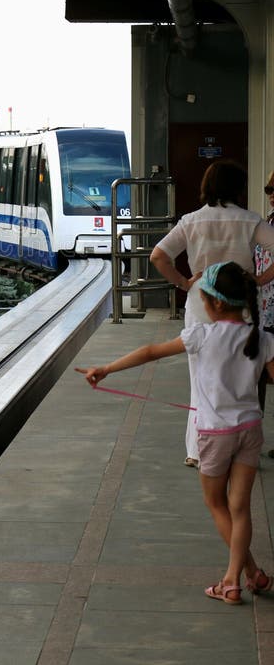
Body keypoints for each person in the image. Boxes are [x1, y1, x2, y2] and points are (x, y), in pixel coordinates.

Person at [76, 261, 274, 604]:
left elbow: (150, 352)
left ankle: (232, 581)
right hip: (250, 430)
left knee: (216, 503)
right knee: (240, 508)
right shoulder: (264, 338)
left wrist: (105, 369)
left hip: (215, 434)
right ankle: (251, 574)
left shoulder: (201, 335)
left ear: (214, 303)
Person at [149, 160, 274, 468]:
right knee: (241, 377)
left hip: (201, 303)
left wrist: (184, 283)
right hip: (240, 305)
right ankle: (239, 445)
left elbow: (158, 256)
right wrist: (259, 279)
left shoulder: (191, 221)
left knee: (200, 378)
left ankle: (197, 449)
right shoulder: (250, 220)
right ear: (239, 188)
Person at [255, 171, 274, 417]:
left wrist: (258, 279)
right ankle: (255, 423)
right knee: (260, 367)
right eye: (269, 189)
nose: (272, 194)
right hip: (265, 306)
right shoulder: (269, 220)